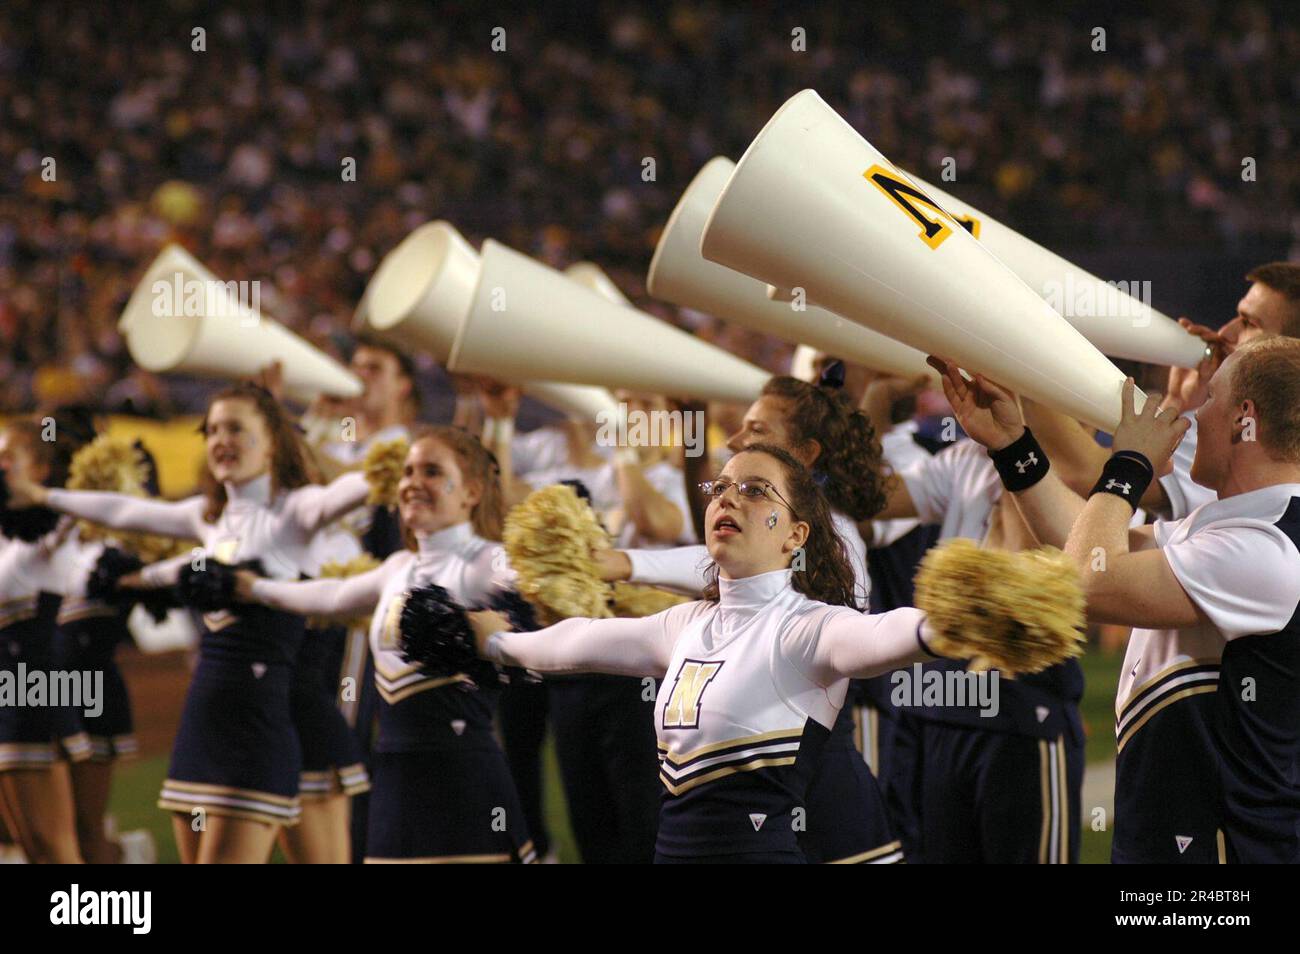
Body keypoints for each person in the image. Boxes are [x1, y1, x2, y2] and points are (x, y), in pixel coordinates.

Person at [465, 444, 976, 863]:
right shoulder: (685, 623)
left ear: (795, 534)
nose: (728, 499)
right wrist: (492, 641)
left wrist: (955, 620)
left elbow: (890, 632)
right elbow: (575, 642)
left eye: (754, 491)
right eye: (720, 488)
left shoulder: (809, 628)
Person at [933, 336, 1300, 863]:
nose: (1194, 414)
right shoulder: (1244, 527)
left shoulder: (1270, 549)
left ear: (1246, 418)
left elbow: (1087, 579)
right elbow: (1081, 546)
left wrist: (1129, 463)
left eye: (1211, 398)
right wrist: (1013, 446)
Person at [6, 383, 371, 863]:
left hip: (258, 730)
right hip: (201, 724)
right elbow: (126, 510)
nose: (221, 439)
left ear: (273, 443)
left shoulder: (295, 514)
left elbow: (354, 488)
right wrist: (44, 495)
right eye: (213, 429)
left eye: (237, 428)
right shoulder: (209, 518)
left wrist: (390, 469)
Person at [597, 373, 905, 863]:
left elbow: (730, 566)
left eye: (757, 431)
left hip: (820, 764)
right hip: (765, 776)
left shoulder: (835, 532)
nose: (737, 440)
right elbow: (721, 549)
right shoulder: (767, 529)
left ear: (804, 453)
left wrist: (629, 564)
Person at [233, 428, 536, 864]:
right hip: (393, 779)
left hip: (463, 776)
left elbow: (539, 612)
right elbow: (331, 596)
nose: (414, 482)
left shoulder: (488, 561)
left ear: (471, 492)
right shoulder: (397, 567)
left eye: (433, 472)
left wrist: (506, 626)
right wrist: (256, 587)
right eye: (409, 471)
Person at [0, 416, 92, 863]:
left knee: (54, 847)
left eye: (8, 457)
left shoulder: (51, 529)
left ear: (39, 470)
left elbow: (79, 513)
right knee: (29, 848)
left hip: (32, 685)